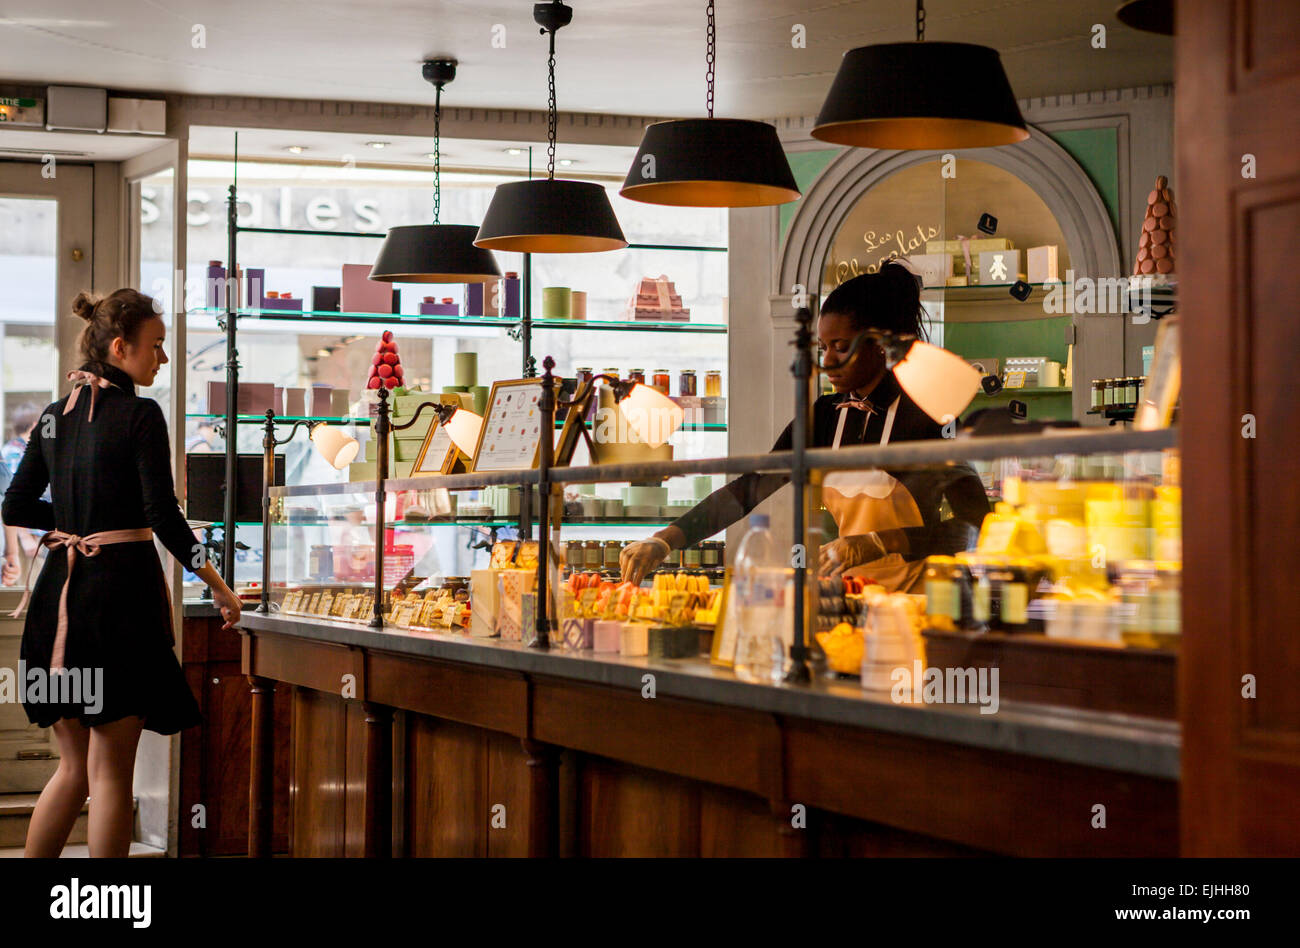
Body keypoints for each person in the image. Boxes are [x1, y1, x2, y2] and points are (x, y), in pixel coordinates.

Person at [1, 288, 242, 858]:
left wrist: (76, 522)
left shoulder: (53, 417)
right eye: (155, 347)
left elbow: (13, 507)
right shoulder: (140, 415)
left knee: (72, 770)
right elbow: (164, 516)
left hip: (55, 609)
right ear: (119, 347)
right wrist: (221, 586)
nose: (162, 358)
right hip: (117, 611)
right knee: (112, 776)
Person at [621, 263, 991, 593]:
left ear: (879, 345)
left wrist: (880, 542)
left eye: (841, 347)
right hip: (850, 599)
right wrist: (666, 540)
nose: (827, 360)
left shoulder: (926, 416)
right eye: (822, 347)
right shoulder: (825, 414)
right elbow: (749, 488)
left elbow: (973, 526)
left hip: (922, 606)